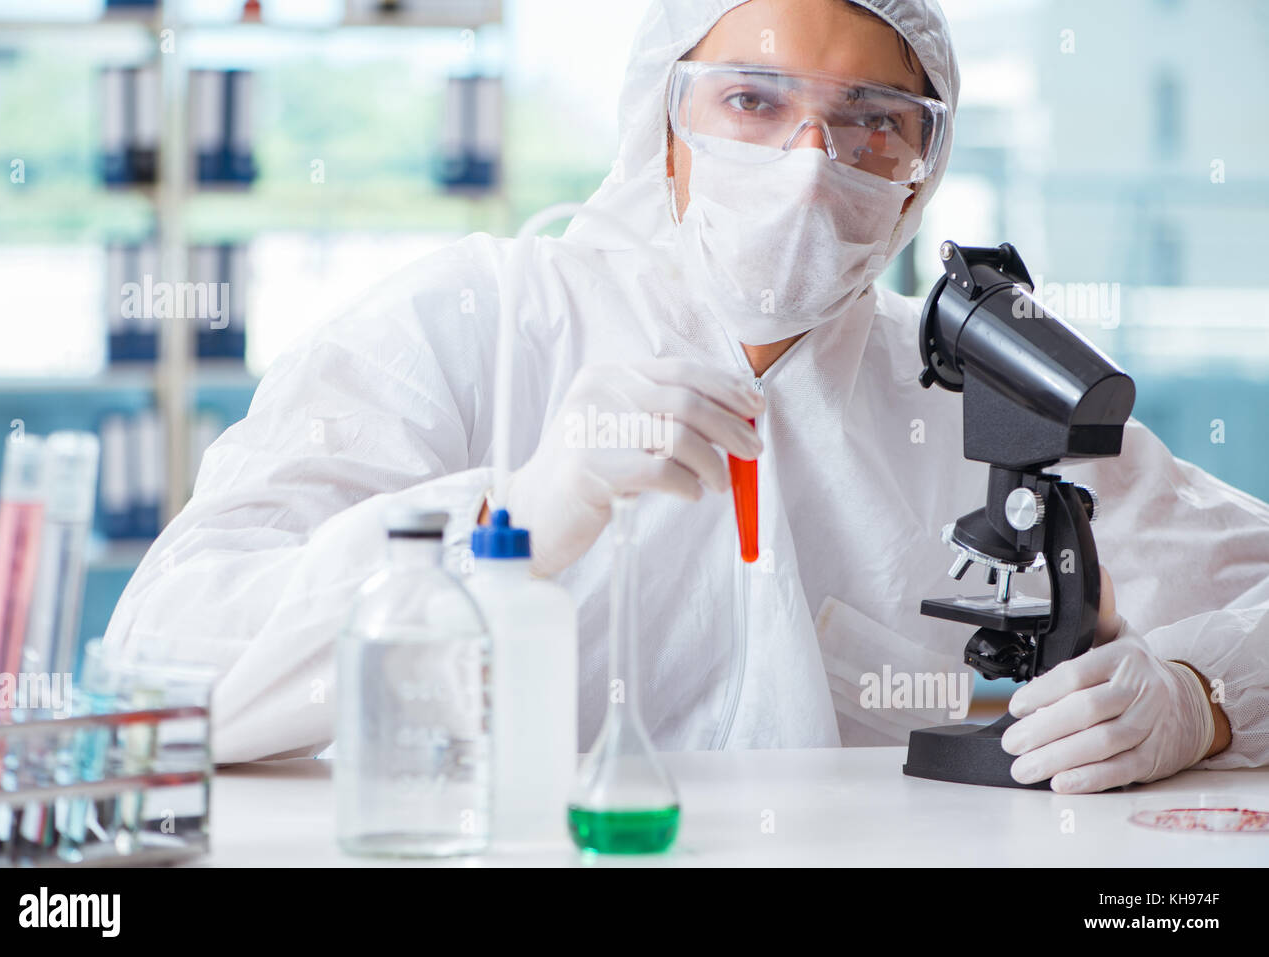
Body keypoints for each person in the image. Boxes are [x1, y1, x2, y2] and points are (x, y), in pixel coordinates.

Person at [105, 0, 1269, 793]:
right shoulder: (476, 323)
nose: (814, 161)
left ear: (918, 178)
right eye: (754, 103)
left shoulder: (979, 387)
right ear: (665, 130)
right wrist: (514, 521)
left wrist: (1198, 696)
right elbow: (160, 661)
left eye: (873, 123)